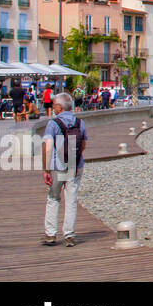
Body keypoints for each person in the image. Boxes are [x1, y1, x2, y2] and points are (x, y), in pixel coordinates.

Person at [41, 91, 87, 247]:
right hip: (75, 166)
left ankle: (51, 234)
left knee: (53, 199)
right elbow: (83, 146)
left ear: (59, 107)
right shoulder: (80, 123)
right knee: (71, 199)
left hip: (58, 166)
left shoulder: (53, 124)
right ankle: (69, 235)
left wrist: (46, 170)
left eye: (54, 105)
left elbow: (47, 147)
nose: (53, 108)